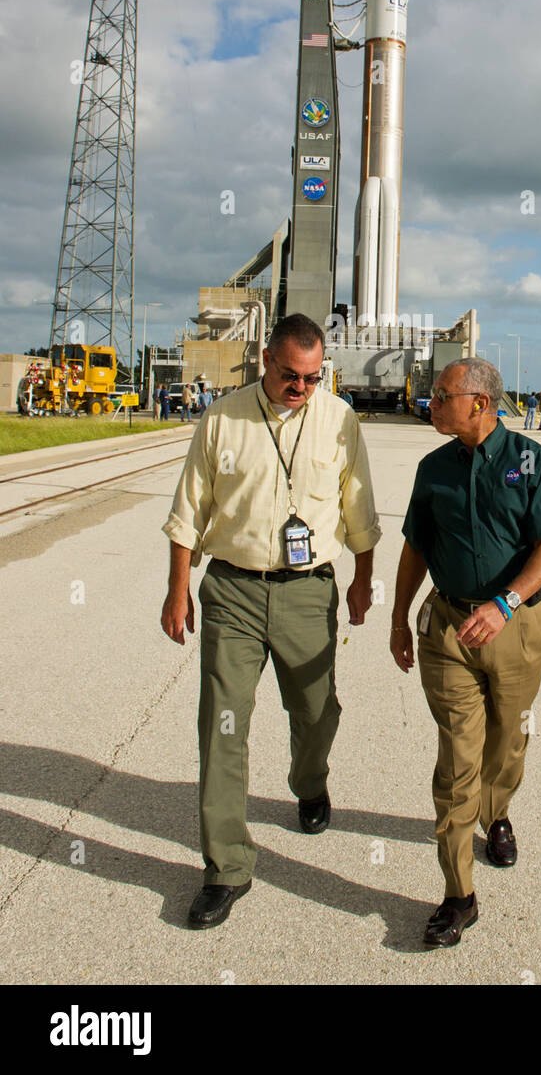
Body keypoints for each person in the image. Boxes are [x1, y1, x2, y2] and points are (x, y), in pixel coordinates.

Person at [160, 313, 381, 930]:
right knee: (222, 726)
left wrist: (364, 581)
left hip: (309, 592)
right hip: (232, 589)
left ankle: (309, 781)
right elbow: (188, 511)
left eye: (312, 378)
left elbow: (358, 505)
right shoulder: (222, 418)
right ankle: (226, 868)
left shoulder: (338, 419)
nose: (301, 389)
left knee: (316, 711)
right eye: (290, 375)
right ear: (265, 358)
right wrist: (178, 590)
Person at [389, 357, 541, 948]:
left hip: (517, 626)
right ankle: (458, 893)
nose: (431, 403)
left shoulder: (531, 462)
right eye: (433, 395)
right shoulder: (433, 468)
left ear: (480, 405)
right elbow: (417, 547)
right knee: (457, 756)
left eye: (442, 396)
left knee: (507, 738)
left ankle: (498, 813)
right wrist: (397, 618)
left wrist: (506, 604)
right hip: (449, 629)